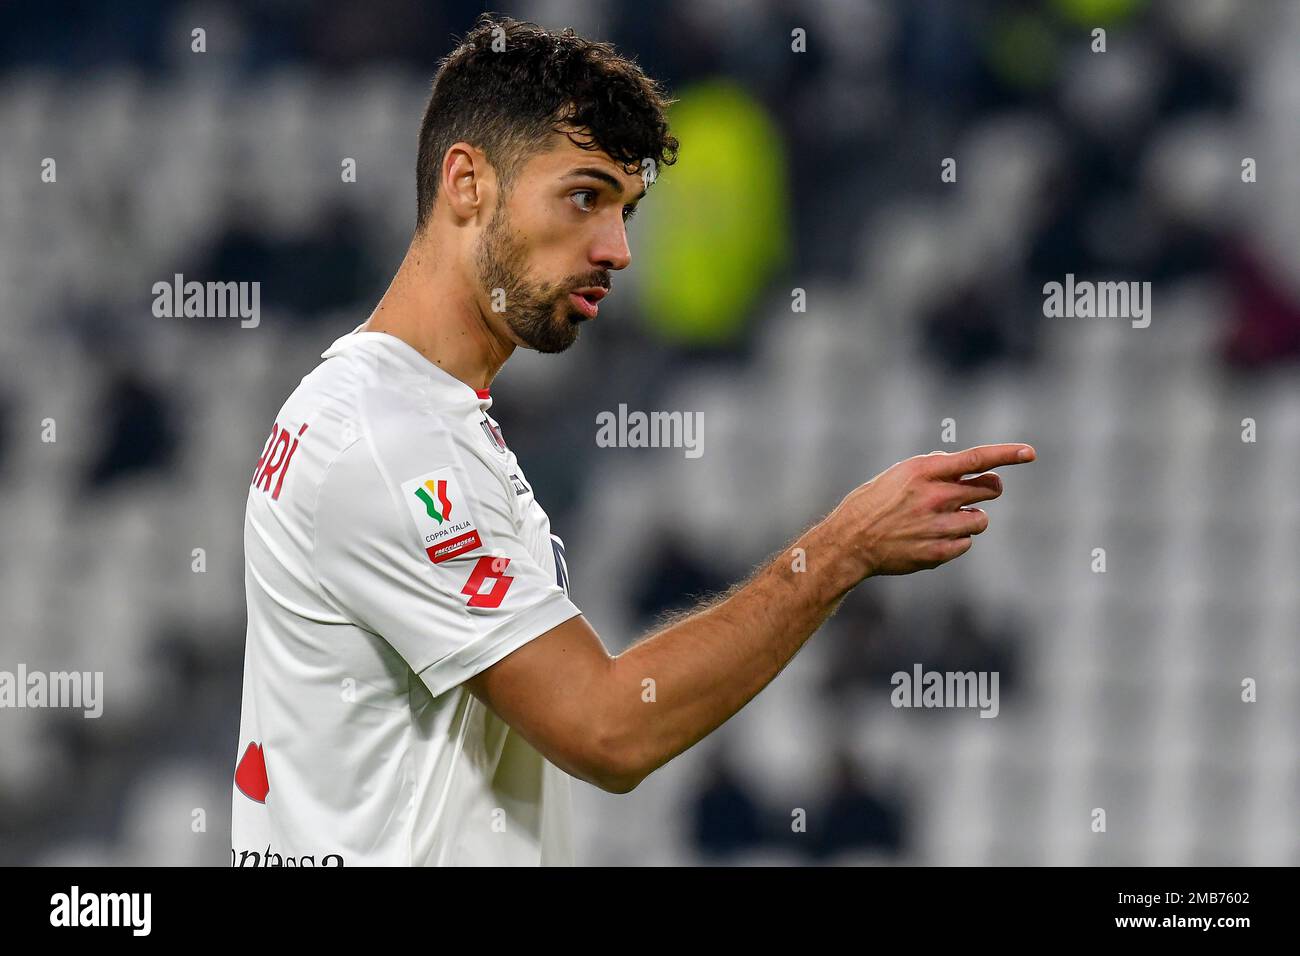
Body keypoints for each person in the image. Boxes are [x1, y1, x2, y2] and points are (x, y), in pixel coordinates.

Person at [231, 13, 1035, 867]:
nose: (617, 250)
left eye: (627, 210)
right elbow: (608, 728)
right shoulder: (393, 442)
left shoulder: (388, 408)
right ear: (467, 183)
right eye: (583, 197)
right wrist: (844, 547)